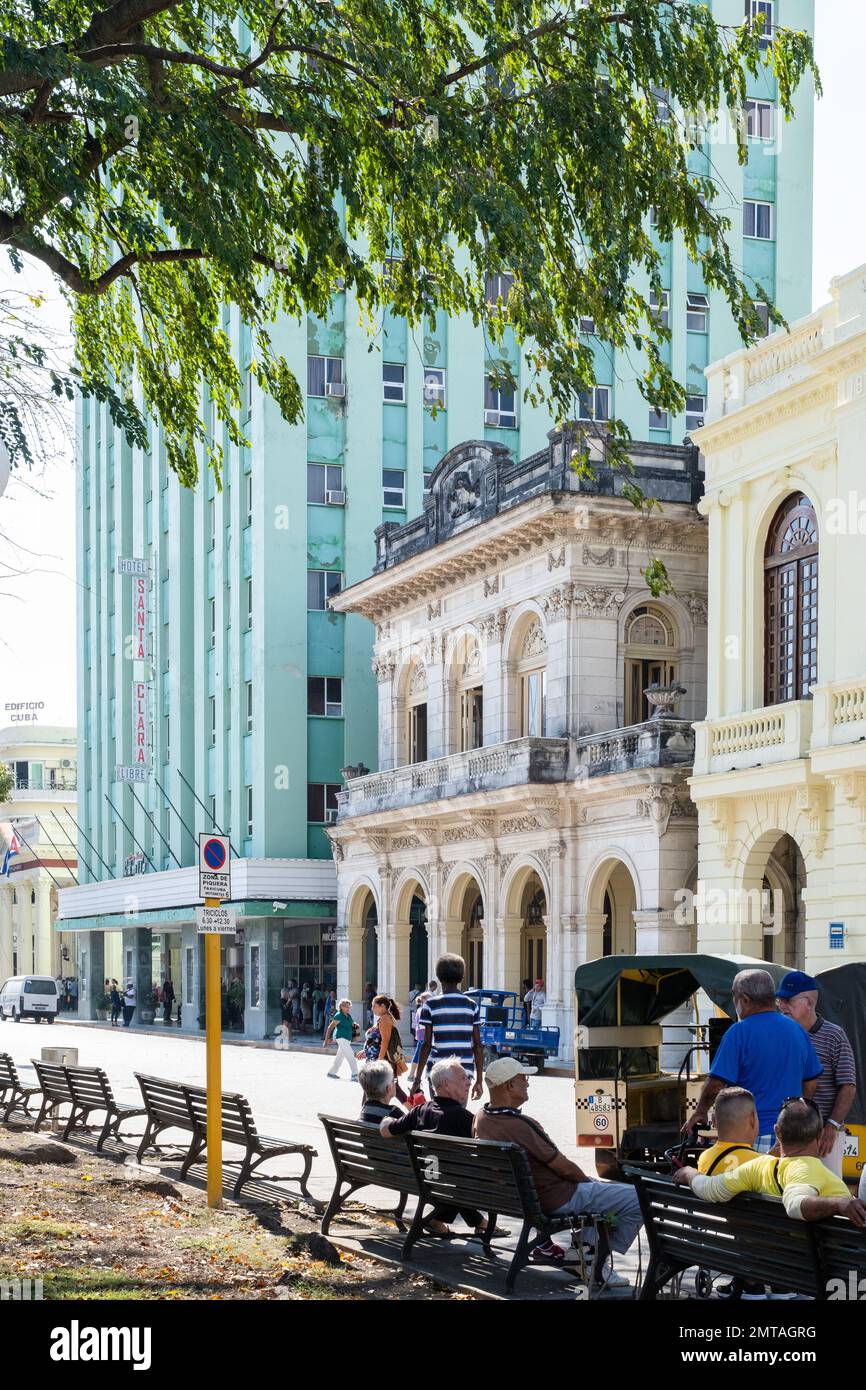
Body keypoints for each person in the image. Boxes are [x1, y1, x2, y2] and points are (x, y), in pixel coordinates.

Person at [474, 1057, 640, 1286]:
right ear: (509, 1085)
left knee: (606, 1193)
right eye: (524, 1078)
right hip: (554, 1198)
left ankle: (583, 1252)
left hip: (520, 1199)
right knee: (638, 1198)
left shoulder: (481, 1117)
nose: (528, 1083)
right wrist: (586, 1182)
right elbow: (563, 1166)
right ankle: (589, 1258)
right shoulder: (521, 1125)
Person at [674, 1098, 866, 1228]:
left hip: (773, 1263)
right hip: (832, 1269)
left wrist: (689, 1173)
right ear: (820, 1135)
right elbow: (794, 1205)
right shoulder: (808, 1170)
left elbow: (710, 1188)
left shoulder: (756, 1167)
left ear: (777, 1133)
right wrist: (840, 1203)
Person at [685, 969, 822, 1150]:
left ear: (745, 1000)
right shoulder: (797, 1030)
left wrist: (700, 1111)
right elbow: (811, 1081)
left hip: (753, 1133)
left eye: (734, 996)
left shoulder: (738, 1032)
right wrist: (796, 1112)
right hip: (791, 1135)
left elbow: (716, 1085)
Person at [380, 1057, 491, 1237]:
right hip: (449, 1183)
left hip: (426, 1179)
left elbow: (386, 1131)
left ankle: (465, 1222)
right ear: (446, 1084)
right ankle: (477, 1223)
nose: (469, 1082)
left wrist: (387, 1121)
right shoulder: (464, 1118)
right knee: (462, 1178)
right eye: (463, 1078)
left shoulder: (420, 1111)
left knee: (455, 1177)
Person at [776, 970, 856, 1179]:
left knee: (828, 1188)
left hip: (823, 1134)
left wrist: (832, 1126)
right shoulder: (780, 1034)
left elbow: (848, 1086)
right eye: (780, 1000)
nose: (782, 1006)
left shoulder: (834, 1035)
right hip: (787, 1132)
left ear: (810, 1002)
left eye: (788, 1000)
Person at [410, 954, 484, 1102]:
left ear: (439, 978)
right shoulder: (471, 1005)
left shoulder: (431, 1005)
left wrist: (417, 1079)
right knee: (459, 1112)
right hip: (464, 1070)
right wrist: (479, 1080)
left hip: (439, 1070)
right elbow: (477, 1046)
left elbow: (426, 1045)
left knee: (438, 1110)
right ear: (461, 977)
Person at [360, 995, 408, 1101]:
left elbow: (385, 1041)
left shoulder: (385, 1019)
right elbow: (377, 1041)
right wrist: (366, 1051)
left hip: (382, 1060)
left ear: (382, 1006)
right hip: (379, 1059)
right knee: (373, 1088)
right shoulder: (384, 1018)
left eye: (374, 1006)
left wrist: (379, 1062)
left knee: (373, 1088)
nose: (372, 1008)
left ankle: (414, 1108)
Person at [358, 1060, 404, 1124]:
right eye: (394, 1080)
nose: (395, 1083)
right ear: (388, 1089)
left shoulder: (365, 1108)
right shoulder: (393, 1112)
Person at [324, 998, 359, 1081]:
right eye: (346, 1006)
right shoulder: (339, 1015)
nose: (348, 1008)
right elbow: (330, 1027)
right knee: (351, 1055)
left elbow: (352, 1025)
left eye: (349, 1006)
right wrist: (326, 1040)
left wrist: (356, 1030)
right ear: (341, 1007)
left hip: (347, 1039)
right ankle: (355, 1074)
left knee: (339, 1057)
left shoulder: (348, 1015)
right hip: (341, 1038)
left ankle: (331, 1072)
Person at [406, 990, 432, 1087]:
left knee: (419, 1053)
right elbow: (422, 1024)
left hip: (422, 1034)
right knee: (420, 1054)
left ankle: (412, 1074)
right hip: (424, 1034)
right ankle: (413, 1074)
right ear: (424, 1000)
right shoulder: (423, 1010)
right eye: (430, 998)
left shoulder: (421, 1009)